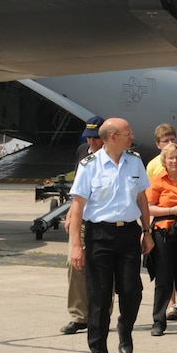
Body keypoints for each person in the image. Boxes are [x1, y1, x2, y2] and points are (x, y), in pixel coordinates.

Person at [65, 118, 153, 353]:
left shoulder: (135, 161)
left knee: (132, 291)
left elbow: (142, 198)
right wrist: (76, 246)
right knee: (100, 298)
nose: (132, 136)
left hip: (129, 234)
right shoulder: (89, 166)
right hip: (99, 236)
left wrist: (146, 232)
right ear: (112, 137)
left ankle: (125, 328)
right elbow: (78, 207)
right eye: (128, 132)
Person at [145, 123, 177, 321]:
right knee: (164, 279)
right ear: (164, 161)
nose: (174, 161)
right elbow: (148, 207)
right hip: (164, 232)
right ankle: (159, 320)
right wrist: (171, 210)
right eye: (170, 158)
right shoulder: (157, 180)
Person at [60, 115, 105, 336]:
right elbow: (78, 192)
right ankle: (79, 316)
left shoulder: (116, 157)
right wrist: (70, 213)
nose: (92, 143)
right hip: (83, 218)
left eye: (96, 138)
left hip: (104, 221)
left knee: (102, 270)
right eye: (89, 138)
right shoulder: (81, 153)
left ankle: (100, 313)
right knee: (74, 264)